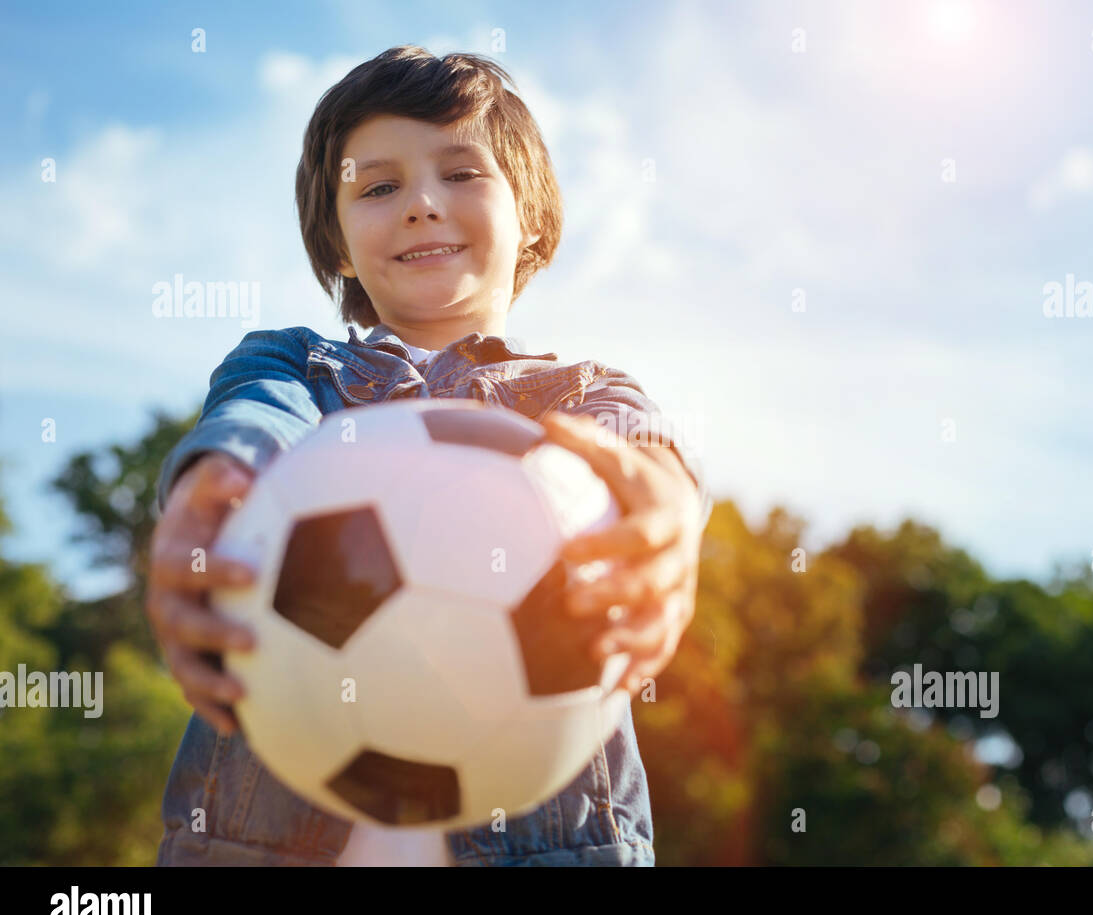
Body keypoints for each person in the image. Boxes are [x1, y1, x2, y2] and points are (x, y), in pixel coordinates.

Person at [145, 46, 711, 866]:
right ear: (336, 242)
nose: (420, 205)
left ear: (534, 221)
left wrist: (663, 503)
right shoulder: (291, 364)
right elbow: (253, 422)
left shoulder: (576, 395)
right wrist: (214, 487)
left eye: (462, 174)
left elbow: (641, 446)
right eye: (377, 187)